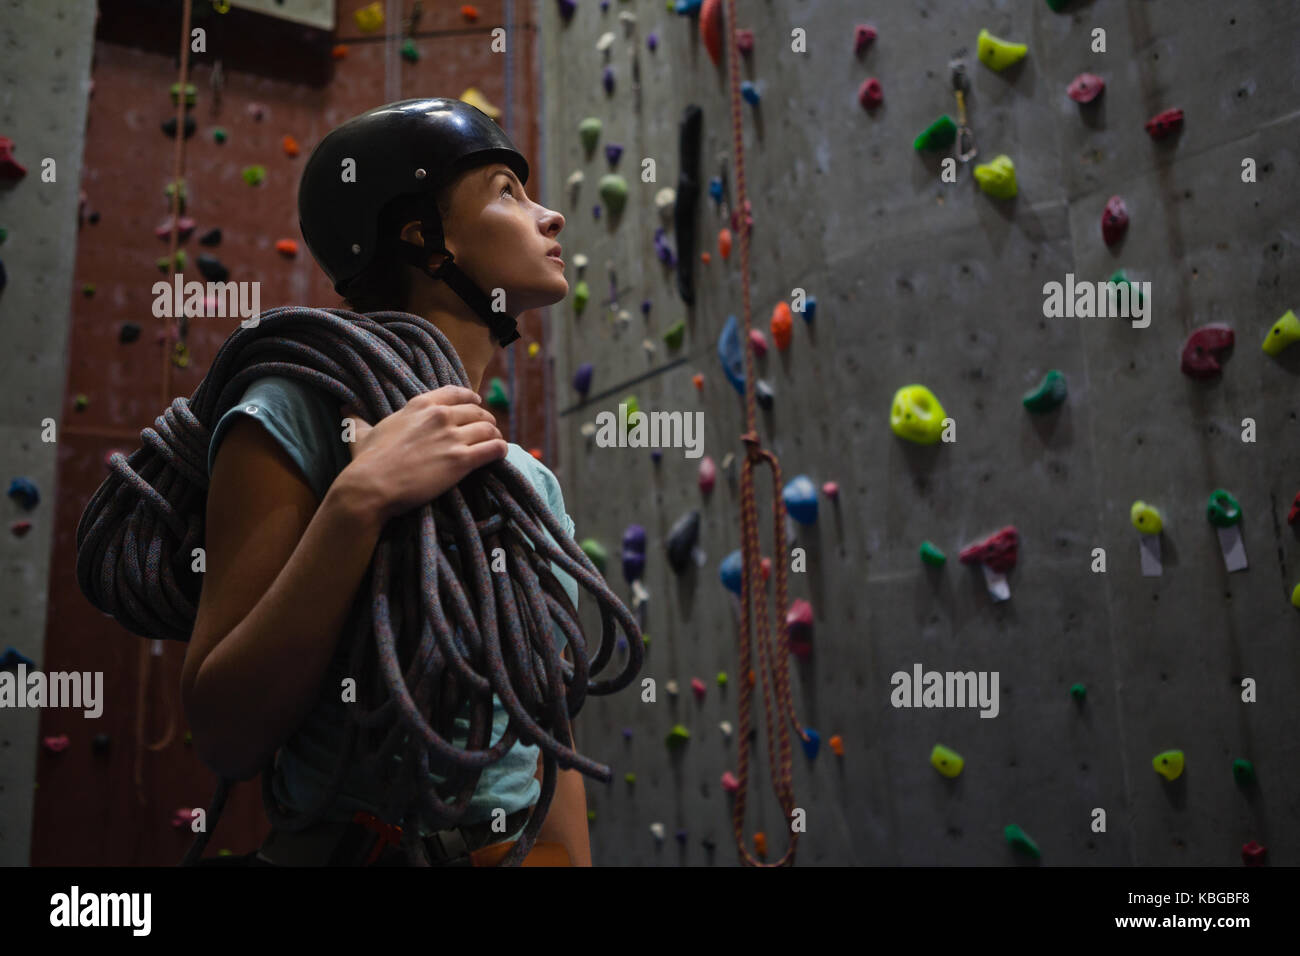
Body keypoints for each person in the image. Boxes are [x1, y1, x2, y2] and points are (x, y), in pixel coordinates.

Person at [181, 98, 588, 866]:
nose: (550, 216)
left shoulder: (528, 482)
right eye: (507, 191)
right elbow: (224, 735)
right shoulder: (292, 410)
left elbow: (550, 732)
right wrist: (356, 503)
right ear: (422, 239)